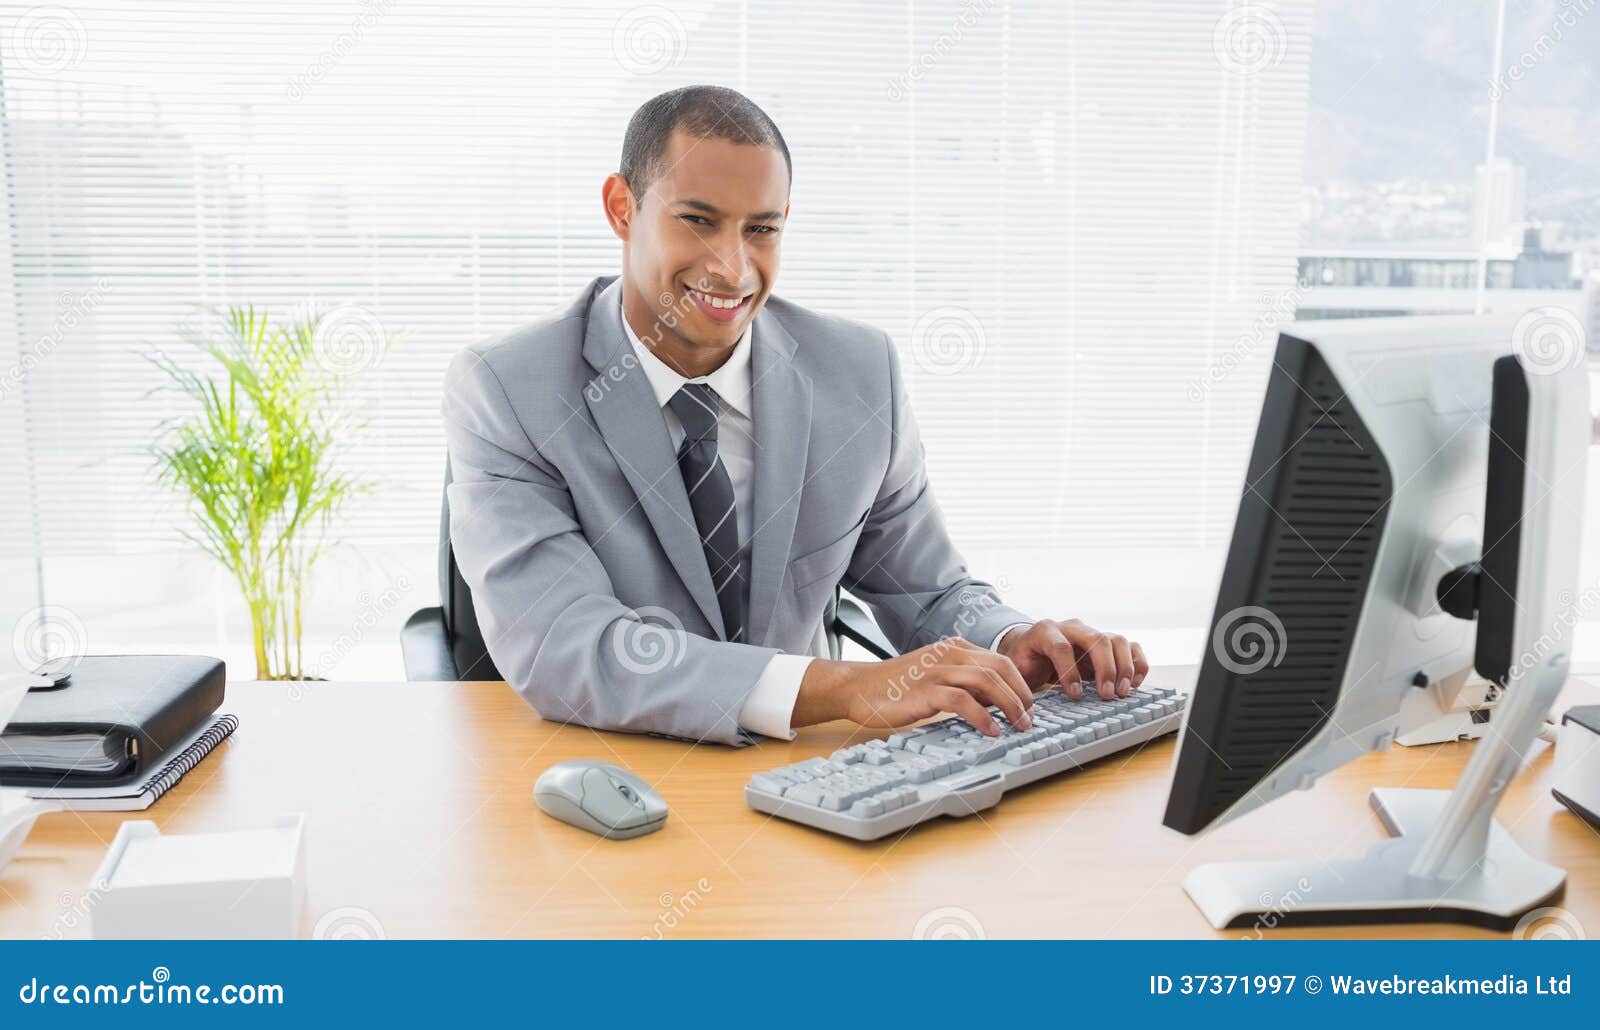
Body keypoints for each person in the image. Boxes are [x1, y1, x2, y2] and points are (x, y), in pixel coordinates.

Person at [442, 85, 1148, 746]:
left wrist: (1010, 643)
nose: (732, 267)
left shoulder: (859, 372)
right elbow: (567, 645)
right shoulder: (510, 389)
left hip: (807, 777)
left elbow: (926, 588)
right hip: (621, 777)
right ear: (622, 208)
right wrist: (842, 687)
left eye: (761, 229)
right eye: (698, 220)